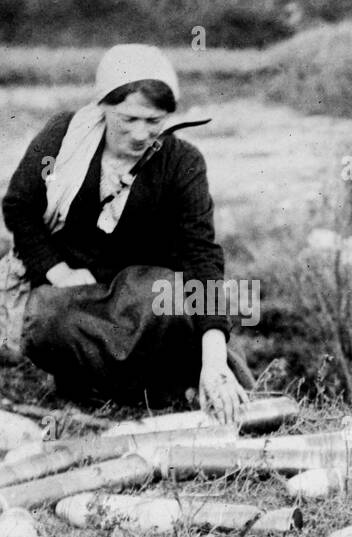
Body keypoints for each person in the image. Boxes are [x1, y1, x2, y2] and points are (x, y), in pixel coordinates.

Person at [0, 44, 248, 422]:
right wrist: (57, 271)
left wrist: (214, 358)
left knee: (171, 301)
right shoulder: (63, 139)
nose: (140, 134)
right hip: (77, 294)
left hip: (146, 299)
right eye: (128, 119)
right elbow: (19, 206)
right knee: (47, 317)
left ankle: (166, 388)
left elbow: (202, 256)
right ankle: (86, 389)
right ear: (103, 105)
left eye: (154, 121)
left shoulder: (182, 163)